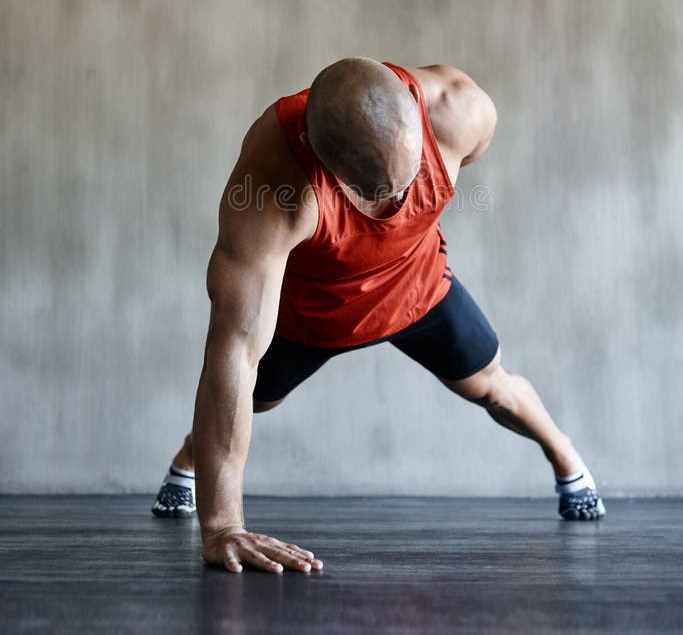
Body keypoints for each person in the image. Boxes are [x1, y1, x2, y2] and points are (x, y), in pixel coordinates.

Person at [152, 58, 605, 575]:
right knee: (250, 398)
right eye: (374, 191)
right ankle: (191, 460)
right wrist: (222, 526)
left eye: (405, 180)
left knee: (492, 385)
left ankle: (566, 458)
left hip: (415, 285)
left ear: (418, 119)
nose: (396, 200)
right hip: (314, 313)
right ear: (323, 159)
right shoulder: (273, 182)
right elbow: (231, 349)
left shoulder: (462, 111)